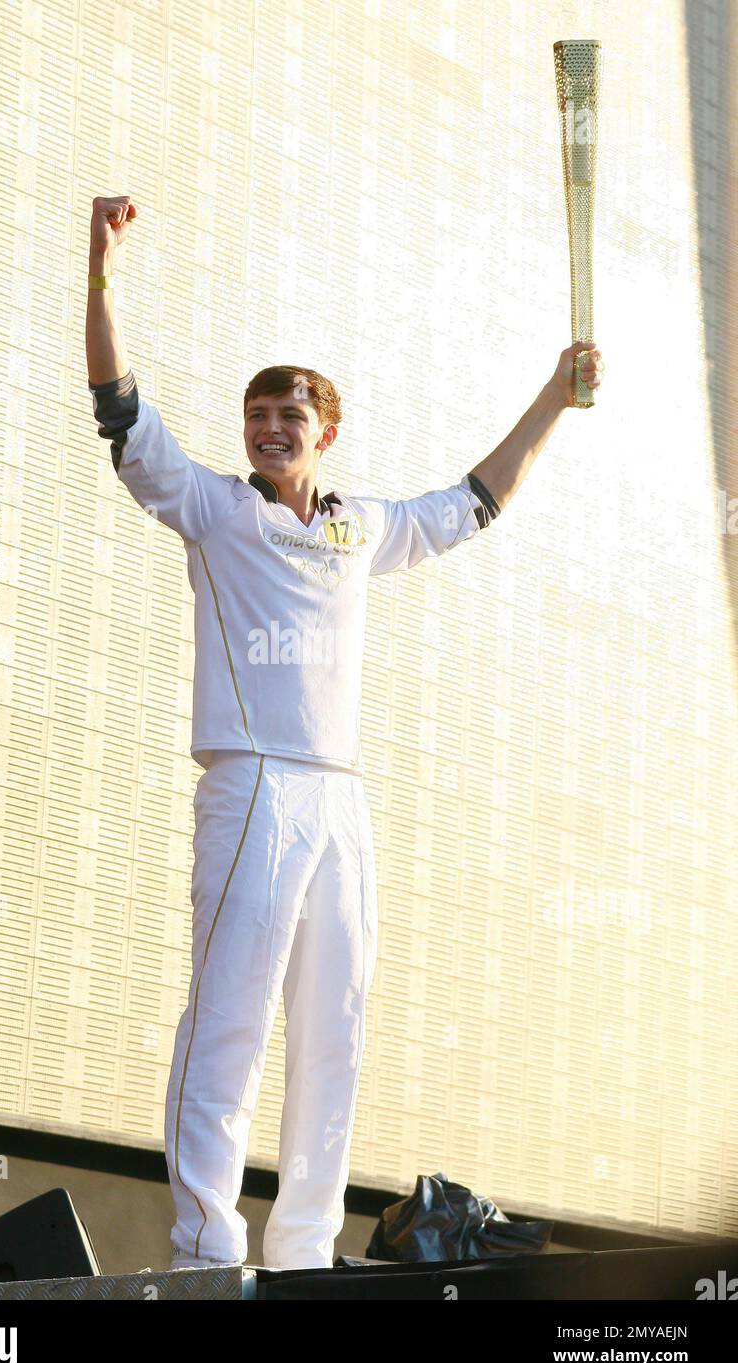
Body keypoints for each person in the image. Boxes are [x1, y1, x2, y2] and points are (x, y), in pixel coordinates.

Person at [85, 195, 604, 1271]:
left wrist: (556, 395)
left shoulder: (362, 526)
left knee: (335, 1027)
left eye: (288, 418)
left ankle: (304, 1254)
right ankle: (203, 1250)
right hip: (250, 783)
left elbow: (475, 500)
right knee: (228, 1015)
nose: (269, 432)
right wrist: (101, 272)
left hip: (340, 795)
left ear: (325, 430)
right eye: (255, 418)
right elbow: (120, 411)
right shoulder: (214, 508)